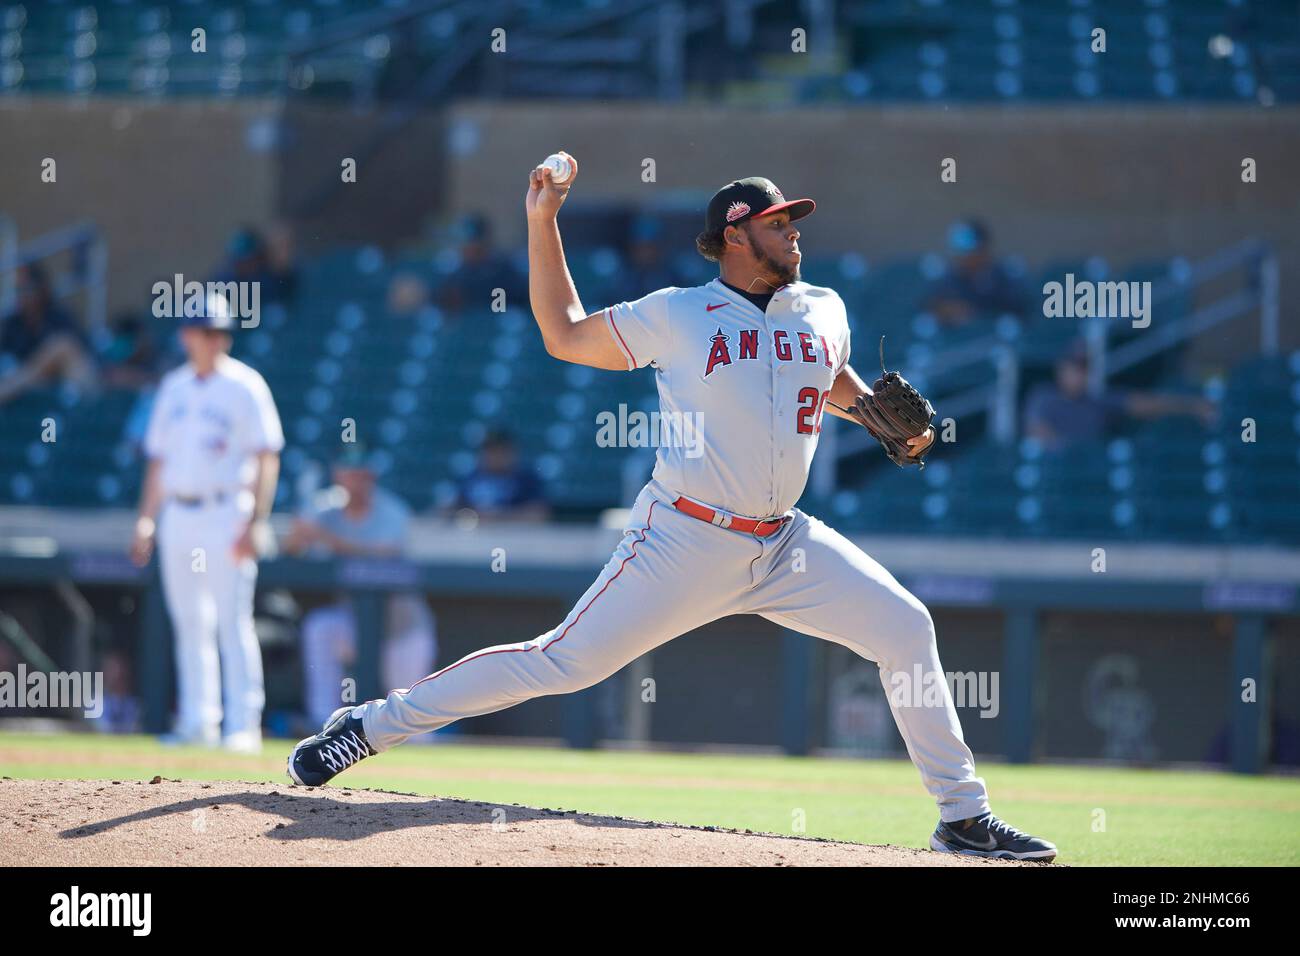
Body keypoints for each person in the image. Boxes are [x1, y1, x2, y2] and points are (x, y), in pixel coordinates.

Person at [289, 160, 1057, 862]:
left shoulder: (822, 307)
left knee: (906, 626)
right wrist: (542, 220)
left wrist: (887, 421)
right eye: (780, 223)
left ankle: (961, 817)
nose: (794, 234)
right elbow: (562, 334)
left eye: (794, 222)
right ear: (735, 234)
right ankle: (369, 727)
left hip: (785, 541)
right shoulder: (678, 313)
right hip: (684, 536)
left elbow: (829, 379)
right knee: (563, 662)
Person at [130, 294, 283, 753]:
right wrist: (145, 519)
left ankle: (243, 723)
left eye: (219, 331)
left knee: (232, 621)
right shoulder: (174, 386)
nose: (213, 339)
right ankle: (199, 720)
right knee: (189, 621)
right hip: (179, 512)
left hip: (226, 510)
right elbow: (158, 461)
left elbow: (267, 456)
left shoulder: (245, 384)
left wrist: (256, 520)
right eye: (205, 330)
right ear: (186, 336)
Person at [282, 446, 437, 729]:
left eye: (361, 474)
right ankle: (323, 722)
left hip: (401, 630)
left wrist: (325, 537)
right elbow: (291, 547)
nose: (356, 480)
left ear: (372, 476)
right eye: (349, 474)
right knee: (321, 627)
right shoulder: (327, 509)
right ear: (338, 476)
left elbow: (383, 554)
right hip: (354, 624)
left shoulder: (392, 510)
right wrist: (304, 519)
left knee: (414, 723)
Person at [1023, 342, 1216, 451]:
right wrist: (1075, 456)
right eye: (1073, 367)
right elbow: (1038, 434)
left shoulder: (1097, 399)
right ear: (1061, 369)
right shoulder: (1043, 397)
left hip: (1094, 475)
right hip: (1058, 477)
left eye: (1083, 369)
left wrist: (1192, 406)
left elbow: (1147, 404)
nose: (1078, 374)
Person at [0, 262, 97, 404]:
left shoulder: (59, 317)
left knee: (63, 346)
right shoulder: (13, 324)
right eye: (18, 290)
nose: (22, 296)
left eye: (27, 289)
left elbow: (84, 355)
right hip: (28, 388)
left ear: (41, 290)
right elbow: (10, 360)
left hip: (64, 382)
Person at [924, 219, 1027, 327]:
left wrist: (975, 312)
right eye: (958, 252)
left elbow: (1019, 310)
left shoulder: (1004, 278)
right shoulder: (949, 278)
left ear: (983, 249)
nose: (961, 257)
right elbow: (928, 304)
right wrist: (943, 310)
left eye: (967, 251)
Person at [436, 213, 527, 317]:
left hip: (500, 325)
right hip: (466, 328)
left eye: (472, 241)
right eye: (463, 242)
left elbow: (514, 300)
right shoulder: (455, 273)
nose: (467, 247)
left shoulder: (503, 269)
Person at [450, 428, 549, 523]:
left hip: (513, 537)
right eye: (490, 451)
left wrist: (498, 517)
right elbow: (451, 509)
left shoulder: (526, 479)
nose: (495, 456)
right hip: (475, 538)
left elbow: (538, 514)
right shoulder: (471, 478)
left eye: (500, 451)